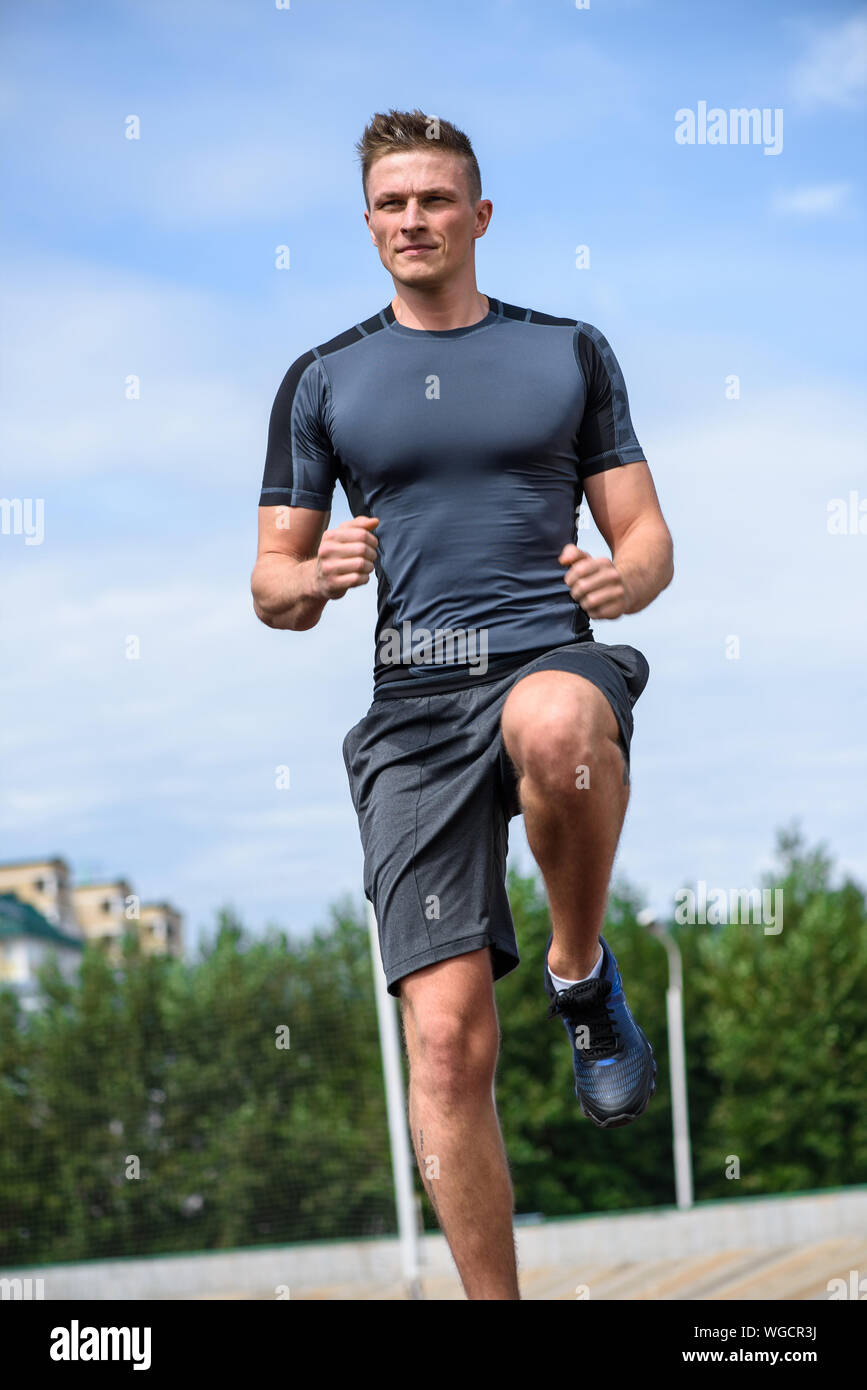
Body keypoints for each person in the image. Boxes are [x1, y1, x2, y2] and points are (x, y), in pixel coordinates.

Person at [251, 108, 674, 1300]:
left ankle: (581, 975)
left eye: (436, 200)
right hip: (412, 710)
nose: (414, 220)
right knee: (443, 1039)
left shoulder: (568, 351)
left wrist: (621, 577)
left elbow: (646, 536)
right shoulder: (324, 377)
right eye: (392, 203)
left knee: (551, 722)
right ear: (369, 224)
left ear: (479, 216)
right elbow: (269, 582)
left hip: (547, 652)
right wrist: (315, 575)